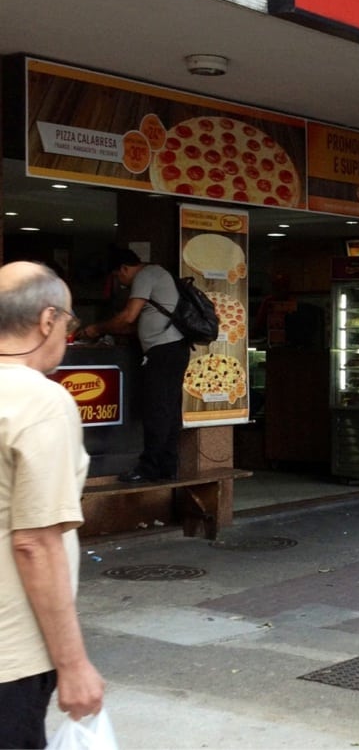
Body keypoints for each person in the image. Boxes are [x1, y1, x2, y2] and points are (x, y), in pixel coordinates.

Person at [0, 261, 105, 748]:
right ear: (47, 321)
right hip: (10, 655)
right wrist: (74, 664)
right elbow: (35, 543)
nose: (67, 332)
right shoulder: (41, 401)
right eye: (68, 321)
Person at [79, 247, 189, 483]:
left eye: (119, 277)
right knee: (168, 412)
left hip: (163, 352)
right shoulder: (157, 274)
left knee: (157, 410)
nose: (121, 283)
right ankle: (167, 466)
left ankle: (149, 467)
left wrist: (96, 329)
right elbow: (137, 323)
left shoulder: (145, 275)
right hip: (174, 350)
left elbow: (128, 316)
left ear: (124, 269)